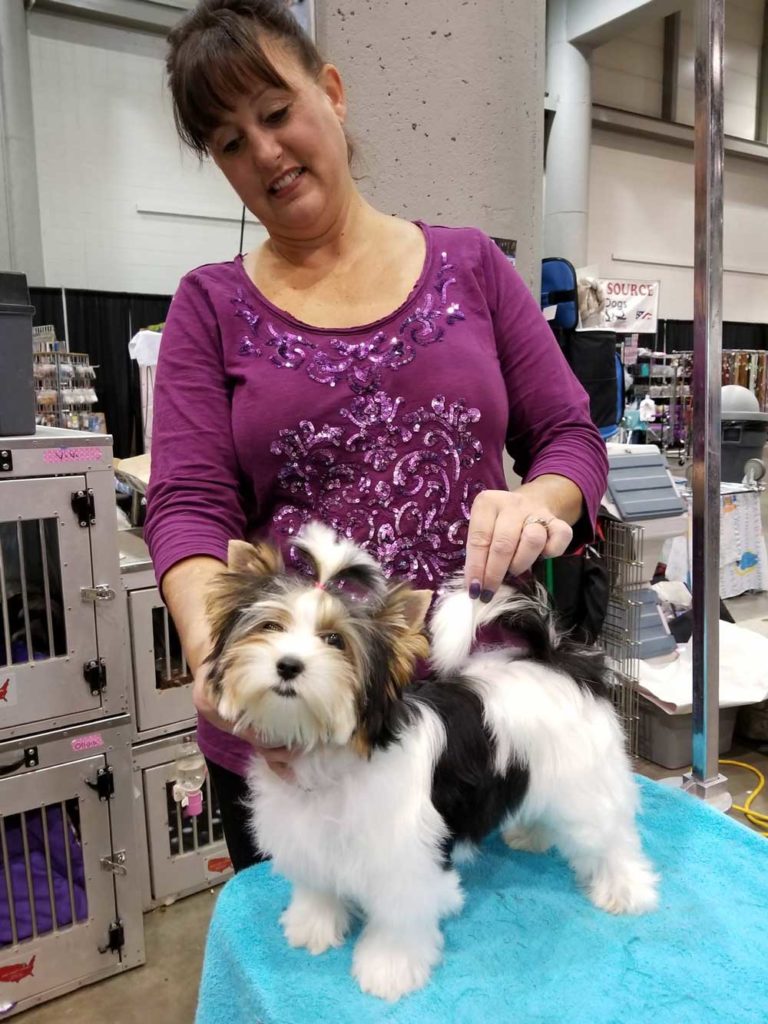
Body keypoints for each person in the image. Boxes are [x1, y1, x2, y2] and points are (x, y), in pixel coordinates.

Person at [145, 0, 609, 872]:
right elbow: (189, 506)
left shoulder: (474, 266)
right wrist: (216, 662)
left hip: (483, 730)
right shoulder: (209, 306)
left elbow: (570, 437)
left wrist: (542, 501)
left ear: (332, 92)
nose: (266, 154)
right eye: (230, 143)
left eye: (276, 114)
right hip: (307, 750)